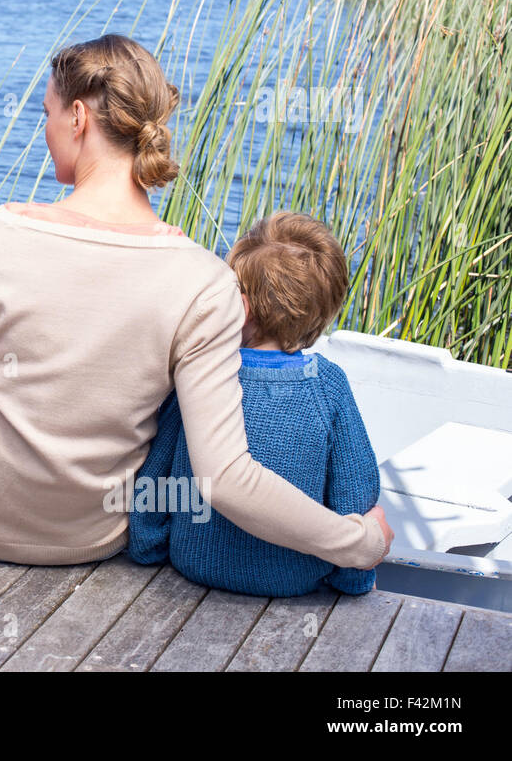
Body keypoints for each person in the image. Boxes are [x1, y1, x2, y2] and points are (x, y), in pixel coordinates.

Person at [0, 33, 394, 570]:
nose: (44, 130)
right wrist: (360, 543)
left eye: (45, 113)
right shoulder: (205, 284)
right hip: (91, 537)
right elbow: (226, 478)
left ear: (77, 117)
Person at [127, 212, 380, 595]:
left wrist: (148, 546)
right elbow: (353, 492)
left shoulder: (204, 372)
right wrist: (355, 576)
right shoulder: (328, 386)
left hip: (194, 563)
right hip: (293, 580)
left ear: (240, 307)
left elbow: (157, 471)